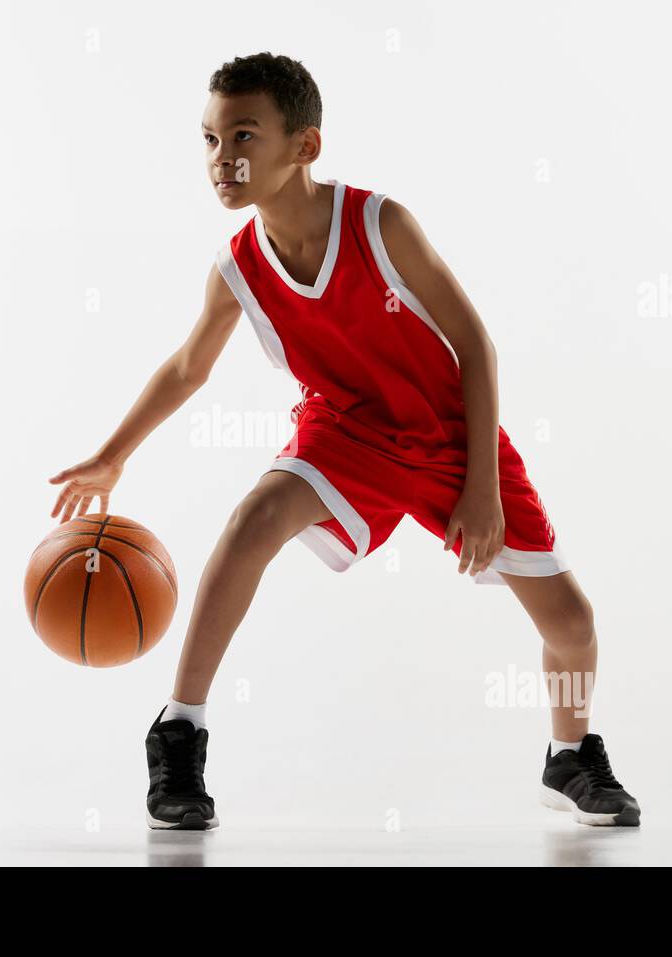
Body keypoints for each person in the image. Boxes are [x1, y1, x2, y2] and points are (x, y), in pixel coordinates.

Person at [48, 52, 639, 830]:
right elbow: (189, 367)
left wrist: (482, 486)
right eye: (210, 140)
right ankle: (180, 729)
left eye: (244, 136)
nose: (223, 159)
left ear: (305, 147)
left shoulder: (377, 222)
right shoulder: (239, 267)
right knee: (253, 519)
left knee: (572, 623)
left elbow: (475, 343)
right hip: (344, 432)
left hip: (450, 435)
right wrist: (113, 454)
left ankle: (570, 754)